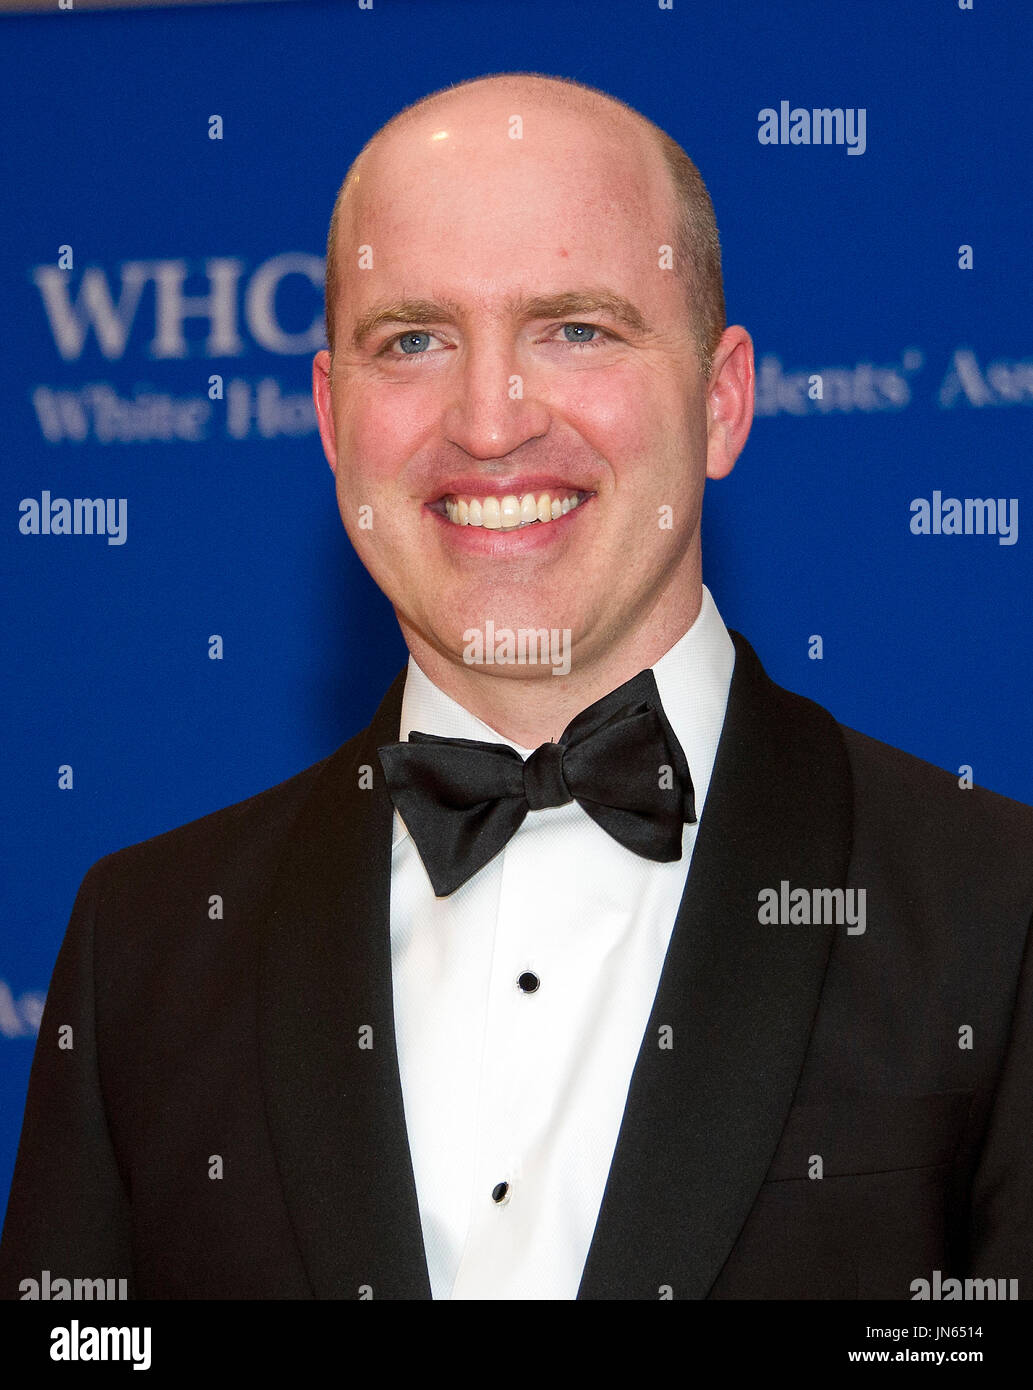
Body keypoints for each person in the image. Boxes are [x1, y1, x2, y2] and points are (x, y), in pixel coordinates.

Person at [2, 71, 1031, 1302]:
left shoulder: (998, 910)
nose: (489, 423)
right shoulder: (145, 948)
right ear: (330, 417)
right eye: (413, 341)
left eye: (575, 329)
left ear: (719, 403)